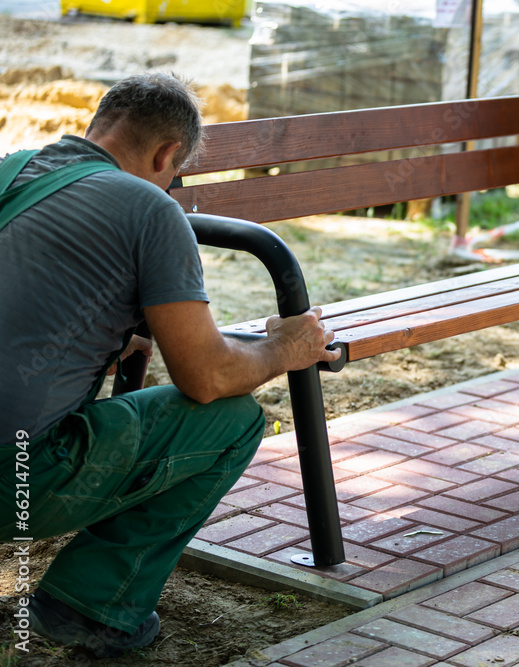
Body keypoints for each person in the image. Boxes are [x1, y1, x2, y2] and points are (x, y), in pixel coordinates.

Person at [0, 73, 340, 657]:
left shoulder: (12, 169)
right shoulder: (150, 209)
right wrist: (287, 349)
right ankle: (93, 608)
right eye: (174, 175)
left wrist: (101, 331)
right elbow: (205, 376)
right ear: (167, 155)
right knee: (232, 420)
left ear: (99, 125)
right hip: (17, 479)